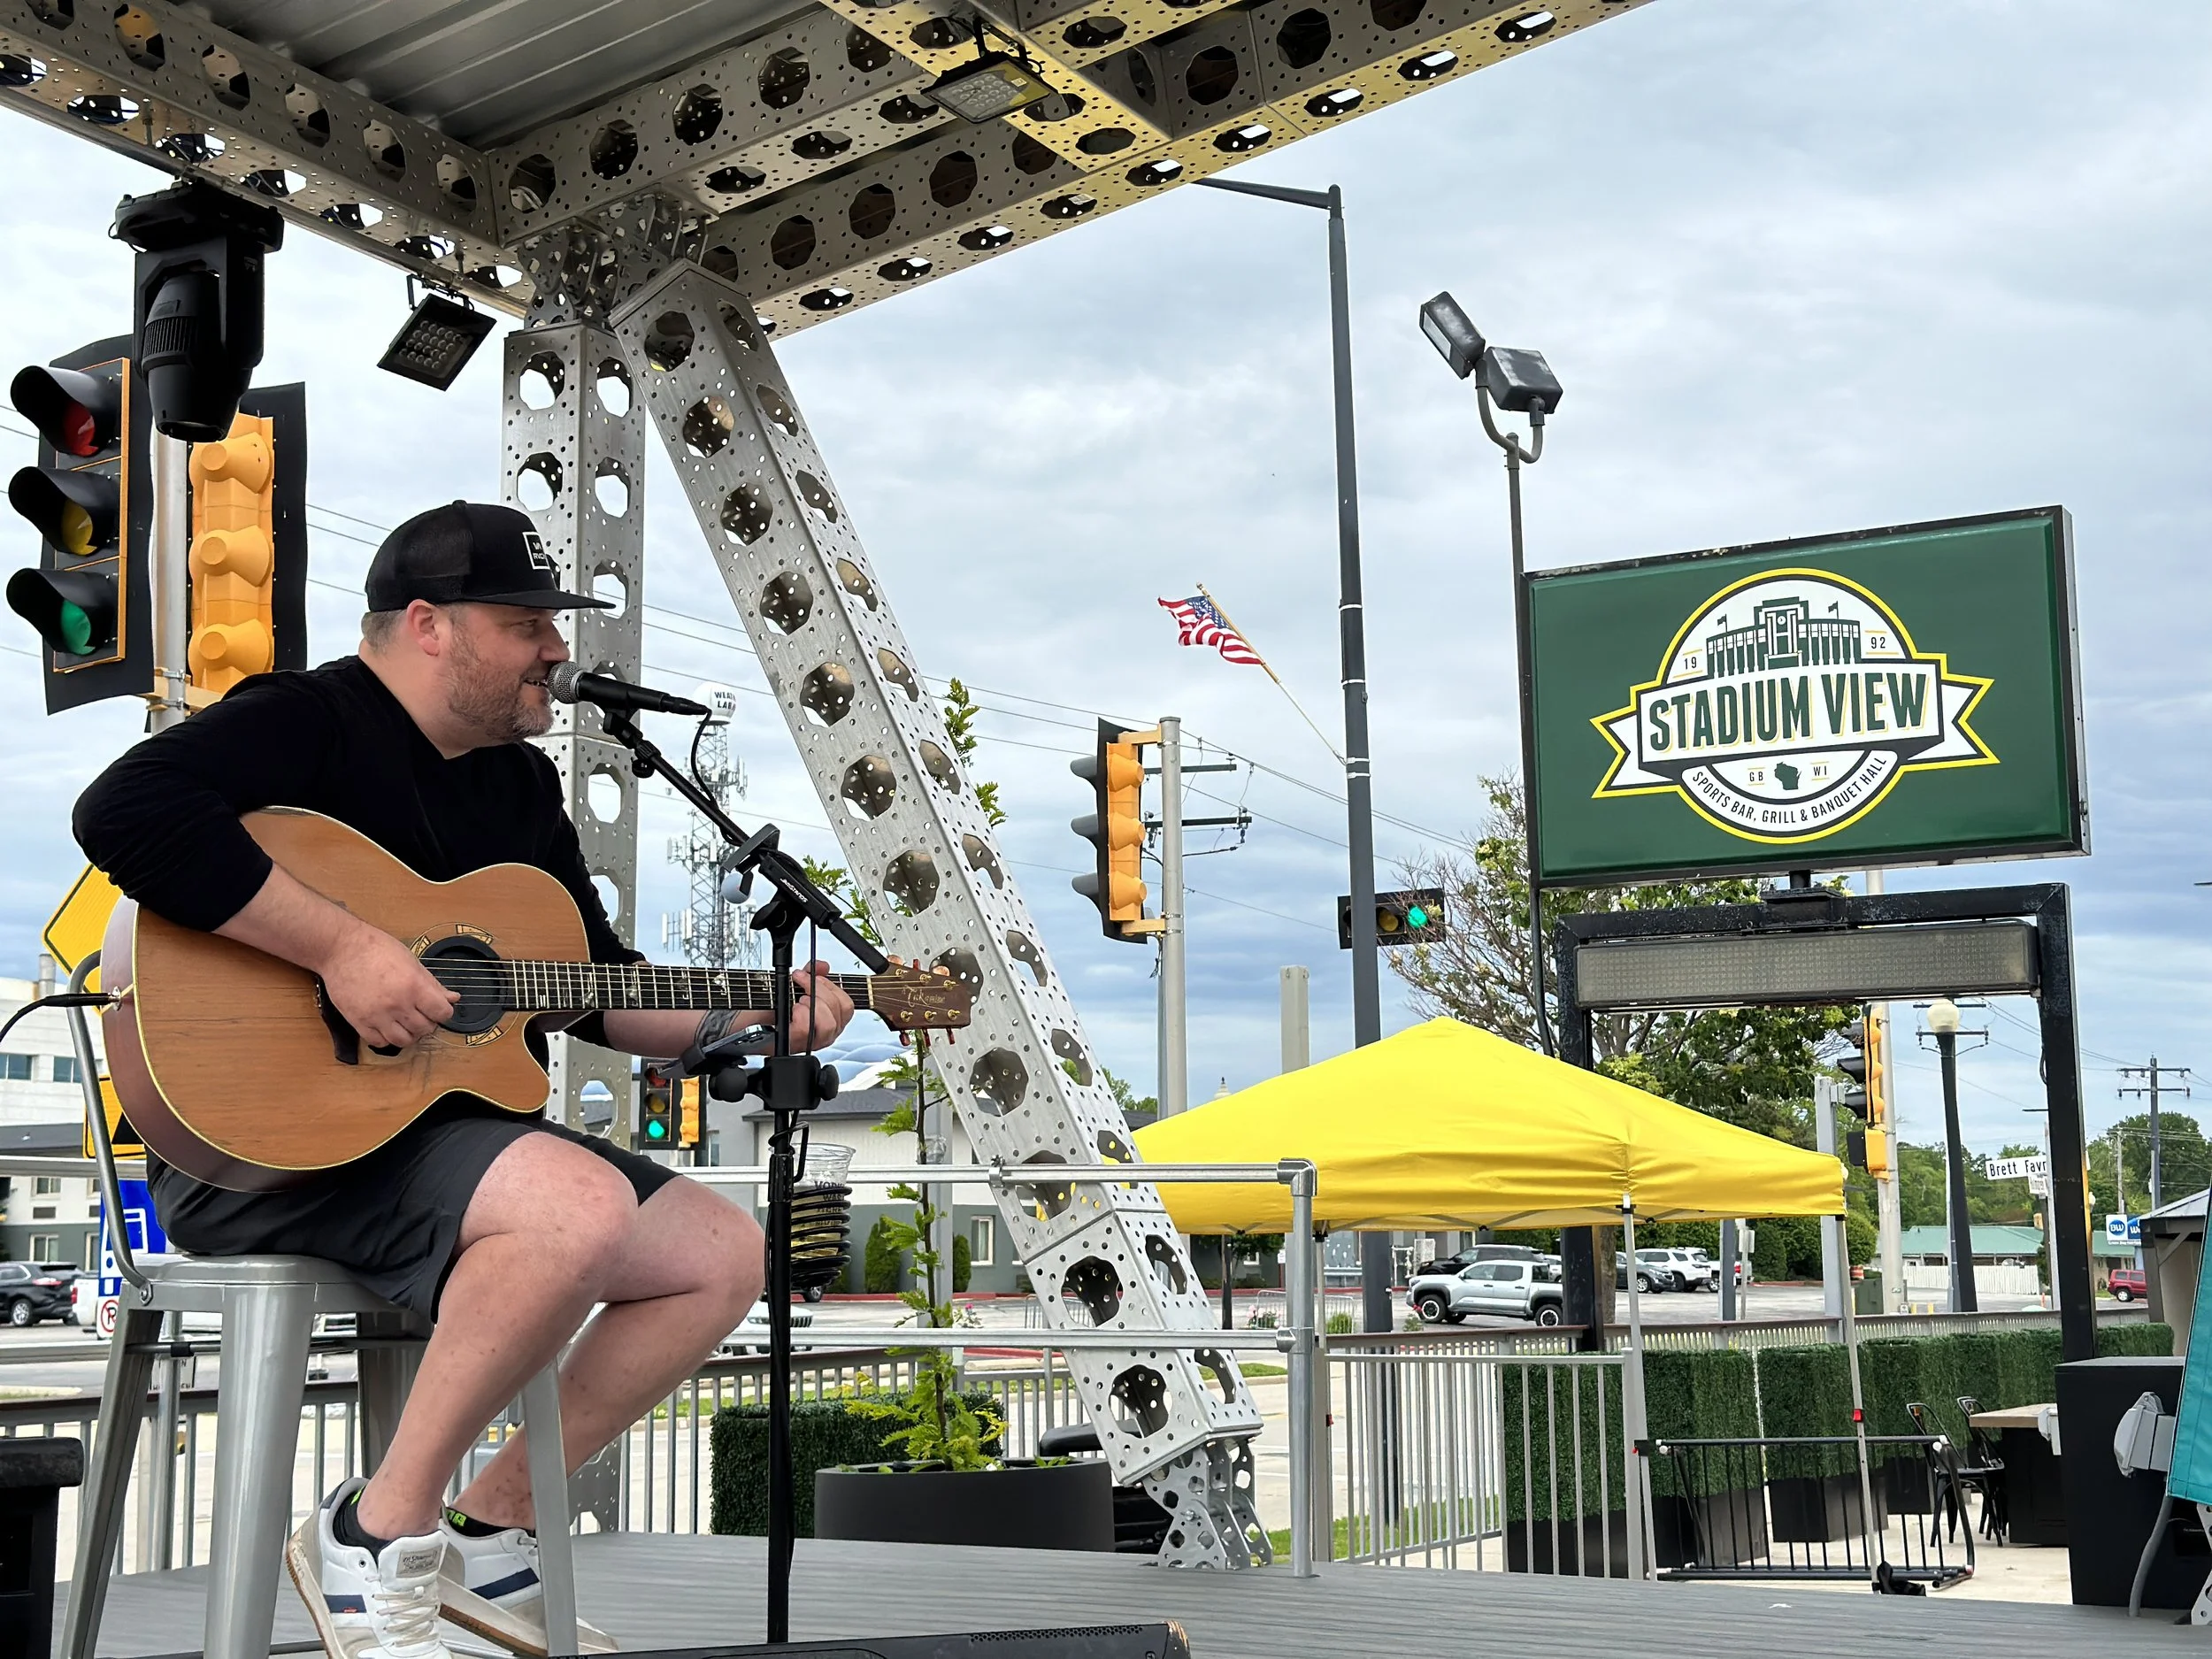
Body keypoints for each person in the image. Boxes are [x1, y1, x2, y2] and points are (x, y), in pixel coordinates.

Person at [74, 501, 855, 1659]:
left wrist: (761, 1003)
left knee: (721, 1251)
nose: (555, 645)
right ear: (429, 625)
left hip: (442, 1143)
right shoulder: (306, 722)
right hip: (262, 1146)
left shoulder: (518, 789)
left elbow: (593, 988)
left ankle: (492, 1528)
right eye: (527, 618)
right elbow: (121, 812)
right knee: (574, 1203)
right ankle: (376, 1531)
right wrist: (340, 947)